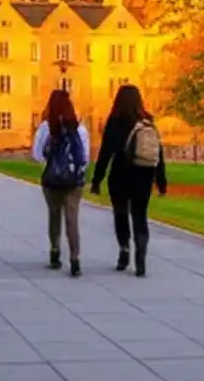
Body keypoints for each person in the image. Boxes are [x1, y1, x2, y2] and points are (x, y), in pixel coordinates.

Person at [91, 84, 168, 277]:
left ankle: (124, 249)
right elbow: (157, 152)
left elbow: (105, 152)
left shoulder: (116, 120)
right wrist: (161, 180)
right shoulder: (147, 121)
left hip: (120, 173)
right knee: (140, 214)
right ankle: (141, 250)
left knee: (121, 213)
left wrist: (97, 179)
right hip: (144, 174)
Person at [32, 89, 90, 277]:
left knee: (54, 215)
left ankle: (55, 250)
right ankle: (75, 258)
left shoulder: (46, 128)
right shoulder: (79, 129)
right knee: (72, 218)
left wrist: (52, 161)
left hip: (51, 180)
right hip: (74, 181)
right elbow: (85, 158)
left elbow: (37, 155)